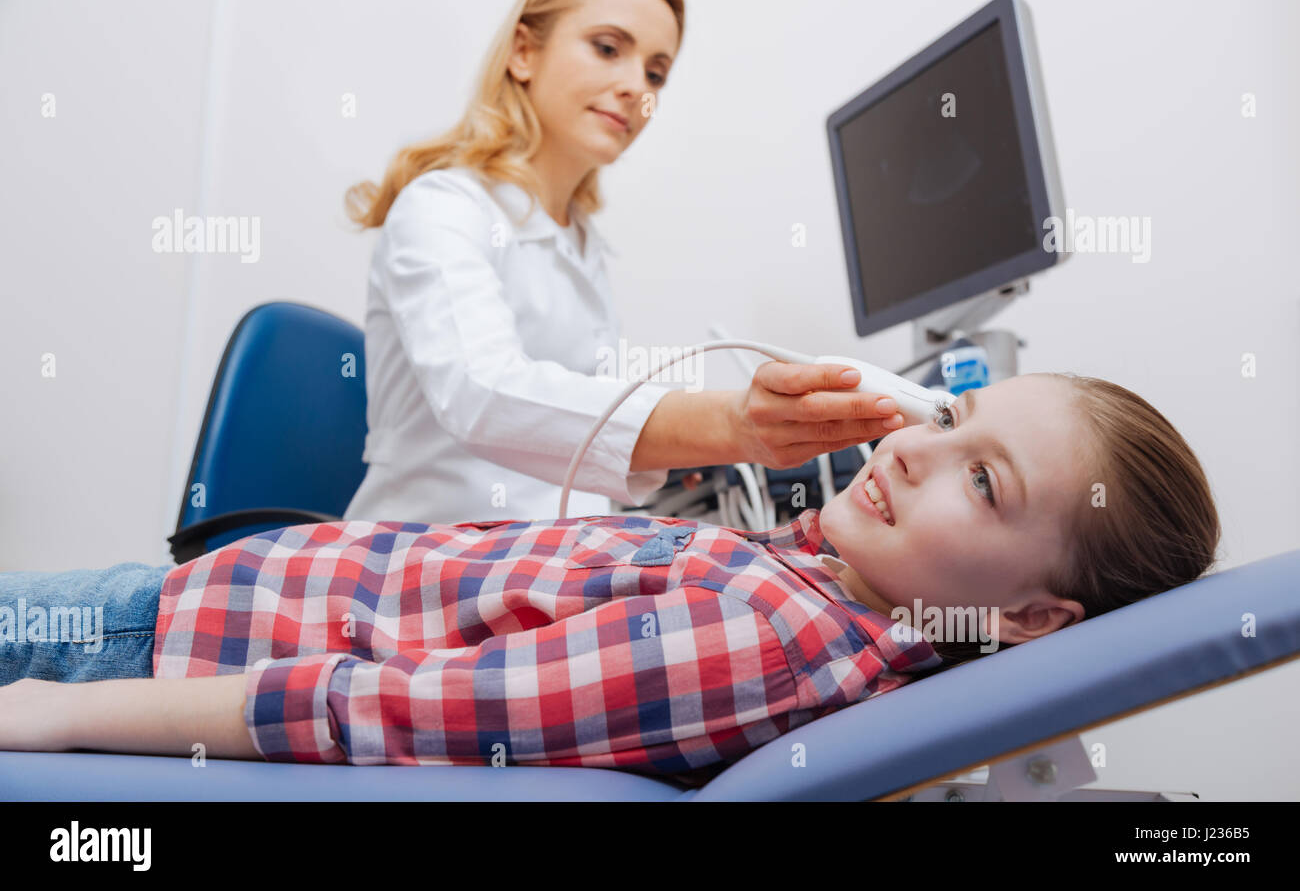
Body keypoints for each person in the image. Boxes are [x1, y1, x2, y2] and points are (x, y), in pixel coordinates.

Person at [0, 373, 1222, 785]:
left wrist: (52, 716)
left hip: (148, 646)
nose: (906, 443)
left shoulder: (767, 638)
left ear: (1024, 617)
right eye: (946, 415)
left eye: (983, 480)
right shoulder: (820, 596)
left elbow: (372, 708)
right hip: (208, 602)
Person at [338, 0, 904, 524]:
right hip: (422, 561)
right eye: (608, 48)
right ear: (523, 52)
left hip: (539, 559)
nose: (637, 87)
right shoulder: (441, 208)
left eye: (656, 73)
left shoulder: (581, 247)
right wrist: (728, 424)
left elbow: (575, 439)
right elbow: (481, 394)